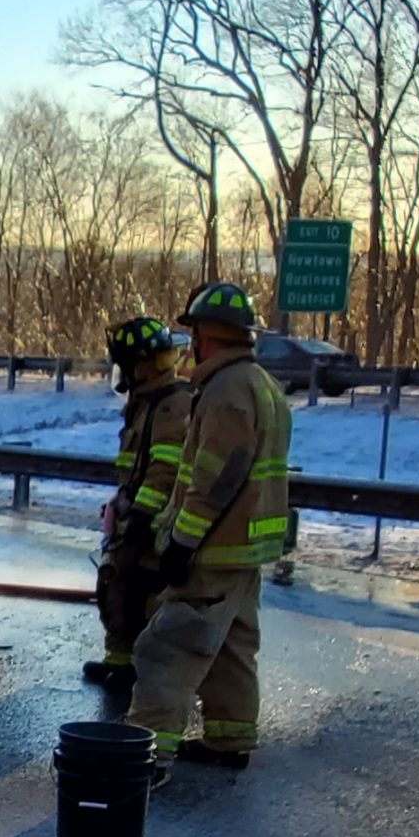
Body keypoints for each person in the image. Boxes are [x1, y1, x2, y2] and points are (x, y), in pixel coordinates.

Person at [127, 282, 293, 781]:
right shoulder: (262, 383)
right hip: (248, 550)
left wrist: (182, 542)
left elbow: (215, 479)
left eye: (193, 333)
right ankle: (230, 737)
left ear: (207, 336)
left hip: (216, 549)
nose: (190, 344)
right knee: (232, 647)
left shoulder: (224, 392)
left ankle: (146, 754)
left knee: (168, 649)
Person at [85, 316, 192, 689]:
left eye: (128, 363)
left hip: (157, 519)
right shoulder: (145, 400)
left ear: (144, 363)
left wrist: (144, 517)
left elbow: (165, 469)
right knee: (114, 584)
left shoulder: (172, 404)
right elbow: (136, 467)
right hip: (133, 511)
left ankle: (141, 670)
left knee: (145, 595)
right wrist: (121, 504)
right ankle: (118, 659)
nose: (124, 372)